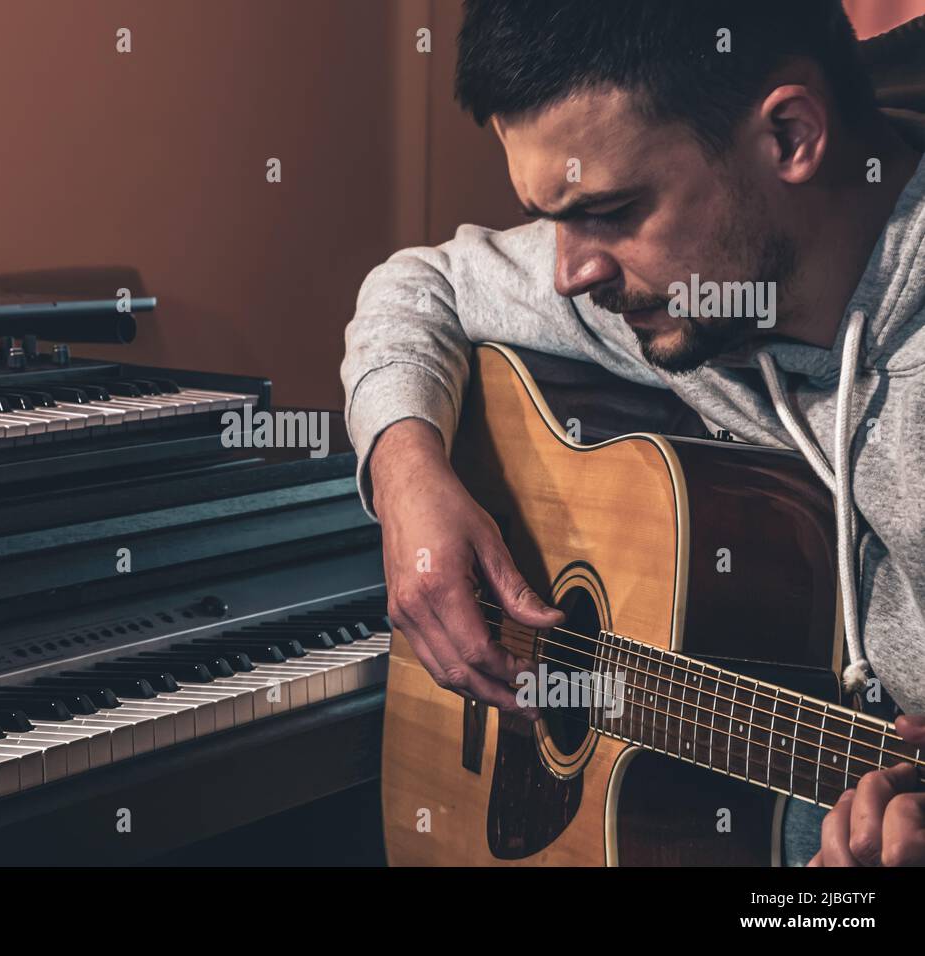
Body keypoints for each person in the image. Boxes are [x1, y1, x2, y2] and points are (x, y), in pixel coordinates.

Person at [341, 0, 925, 866]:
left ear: (793, 136)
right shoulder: (681, 295)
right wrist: (408, 477)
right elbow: (418, 285)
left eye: (610, 210)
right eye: (552, 216)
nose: (571, 273)